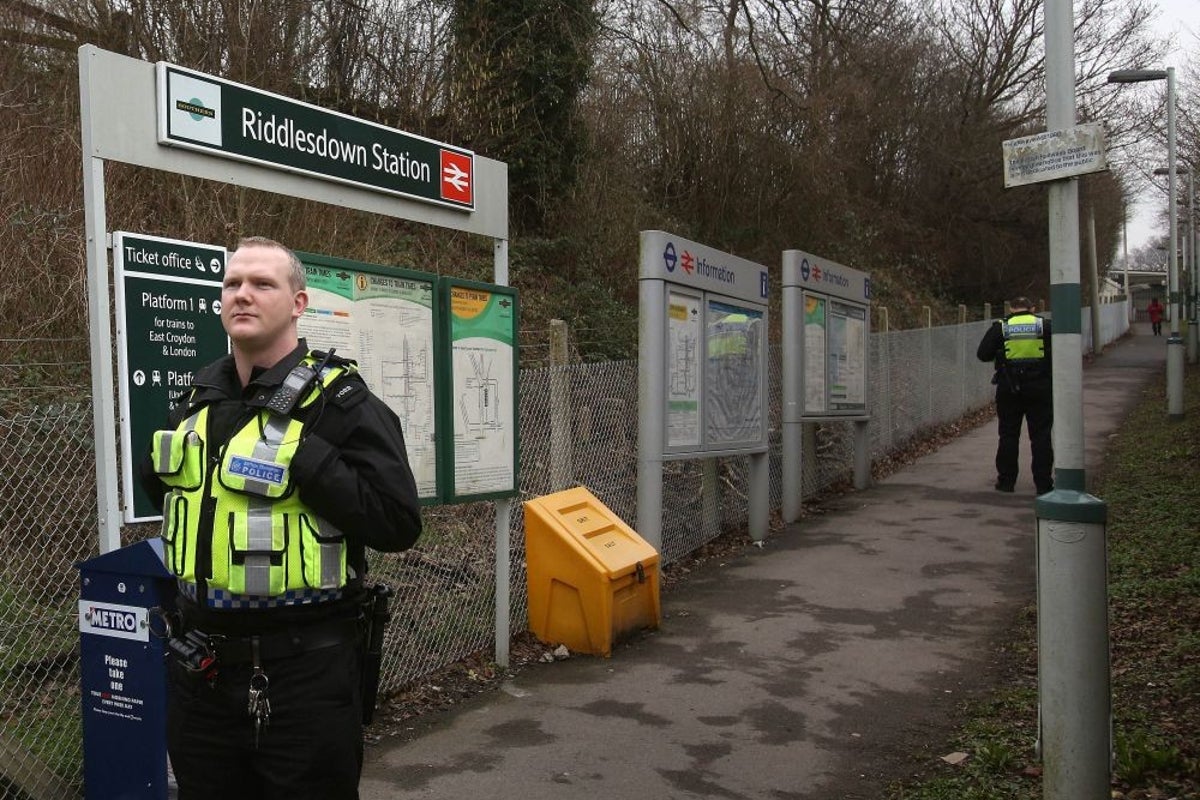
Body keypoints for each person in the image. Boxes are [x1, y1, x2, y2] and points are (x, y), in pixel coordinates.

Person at [141, 236, 422, 800]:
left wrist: (308, 458)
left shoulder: (340, 402)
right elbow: (175, 498)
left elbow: (397, 522)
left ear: (298, 303)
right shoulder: (200, 398)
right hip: (200, 675)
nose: (242, 295)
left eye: (261, 284)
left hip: (305, 679)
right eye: (232, 284)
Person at [976, 296, 1054, 495]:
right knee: (1041, 436)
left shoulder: (1001, 327)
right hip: (1040, 388)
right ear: (1033, 308)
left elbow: (983, 354)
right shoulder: (1044, 326)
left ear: (1012, 309)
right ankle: (1044, 485)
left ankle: (1006, 482)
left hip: (1009, 388)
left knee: (1009, 434)